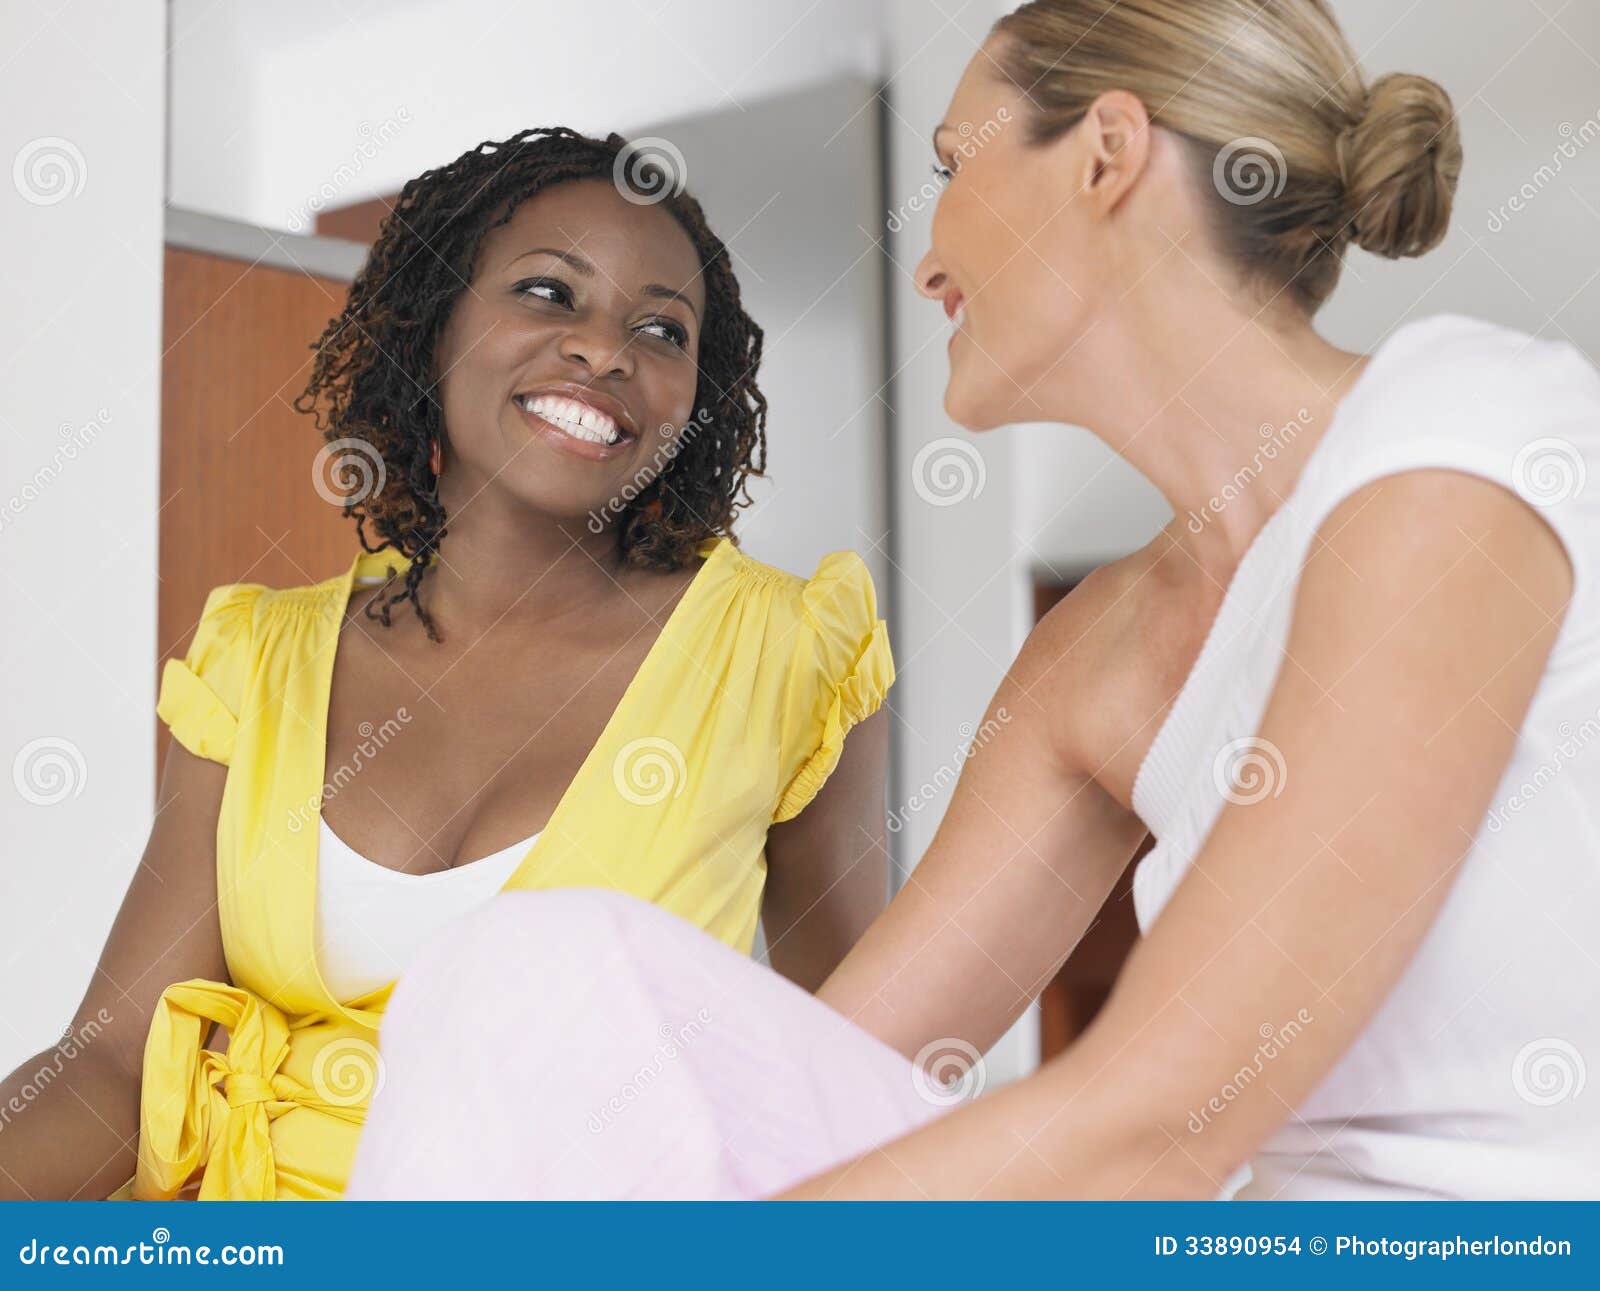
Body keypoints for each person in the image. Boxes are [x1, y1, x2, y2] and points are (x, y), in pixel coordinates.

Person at [346, 1, 1600, 1202]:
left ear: (1105, 155)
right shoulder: (1095, 655)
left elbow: (1155, 1127)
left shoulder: (1458, 438)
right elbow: (807, 1091)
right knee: (525, 965)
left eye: (953, 166)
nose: (927, 254)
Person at [0, 127, 893, 1201]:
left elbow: (857, 1072)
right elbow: (113, 1060)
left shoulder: (782, 655)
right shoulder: (262, 656)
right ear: (432, 329)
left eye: (661, 328)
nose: (604, 350)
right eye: (550, 294)